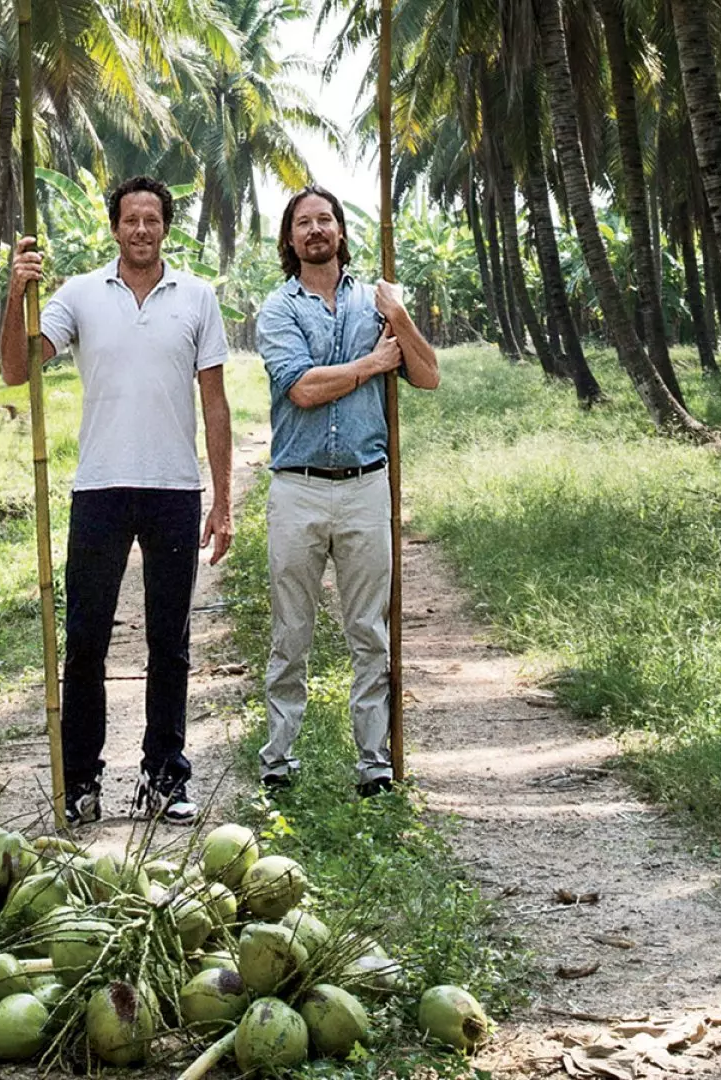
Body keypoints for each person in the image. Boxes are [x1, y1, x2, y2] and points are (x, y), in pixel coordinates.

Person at [0, 175, 234, 827]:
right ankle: (80, 781)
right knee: (86, 641)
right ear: (114, 228)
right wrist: (17, 289)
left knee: (171, 642)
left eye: (152, 219)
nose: (141, 230)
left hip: (175, 491)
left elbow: (215, 403)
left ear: (166, 227)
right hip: (99, 490)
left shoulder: (196, 297)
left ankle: (164, 778)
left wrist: (223, 499)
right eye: (130, 219)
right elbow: (17, 371)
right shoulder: (77, 294)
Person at [255, 185, 440, 797]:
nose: (315, 230)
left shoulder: (377, 303)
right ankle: (278, 760)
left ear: (340, 231)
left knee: (369, 629)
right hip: (298, 487)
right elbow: (302, 389)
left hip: (366, 485)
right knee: (292, 630)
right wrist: (371, 365)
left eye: (325, 220)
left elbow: (429, 376)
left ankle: (374, 763)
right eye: (303, 223)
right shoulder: (277, 310)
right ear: (290, 239)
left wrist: (401, 318)